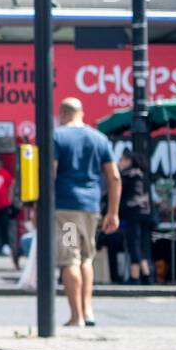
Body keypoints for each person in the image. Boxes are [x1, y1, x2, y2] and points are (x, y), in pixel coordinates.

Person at [53, 96, 121, 328]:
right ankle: (88, 311)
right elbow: (114, 177)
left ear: (62, 113)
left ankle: (76, 317)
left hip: (67, 209)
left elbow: (50, 175)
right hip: (92, 209)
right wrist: (113, 212)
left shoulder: (57, 136)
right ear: (82, 112)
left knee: (70, 259)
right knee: (87, 258)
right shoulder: (99, 139)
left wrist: (38, 207)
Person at [118, 150, 153, 285]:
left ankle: (135, 276)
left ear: (128, 161)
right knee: (143, 246)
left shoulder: (127, 175)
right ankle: (147, 274)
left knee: (134, 245)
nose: (119, 163)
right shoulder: (142, 175)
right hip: (146, 213)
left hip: (133, 213)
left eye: (121, 160)